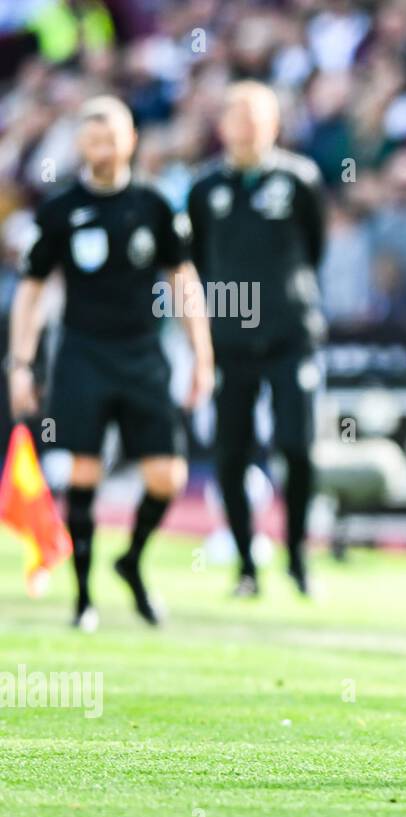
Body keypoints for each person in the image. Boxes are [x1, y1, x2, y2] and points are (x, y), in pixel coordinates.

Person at [7, 95, 213, 631]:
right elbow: (32, 290)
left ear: (131, 141)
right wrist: (21, 363)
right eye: (92, 138)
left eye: (111, 136)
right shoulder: (59, 211)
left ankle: (132, 560)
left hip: (143, 355)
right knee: (83, 472)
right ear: (80, 144)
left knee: (168, 476)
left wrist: (202, 353)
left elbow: (183, 280)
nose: (101, 147)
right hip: (82, 353)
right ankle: (82, 597)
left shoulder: (156, 206)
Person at [187, 82, 326, 597]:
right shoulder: (204, 190)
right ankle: (246, 564)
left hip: (291, 335)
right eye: (237, 117)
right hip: (230, 342)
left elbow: (315, 247)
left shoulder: (300, 178)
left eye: (256, 117)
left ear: (274, 124)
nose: (245, 127)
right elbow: (198, 264)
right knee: (230, 452)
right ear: (222, 125)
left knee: (297, 447)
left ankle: (298, 559)